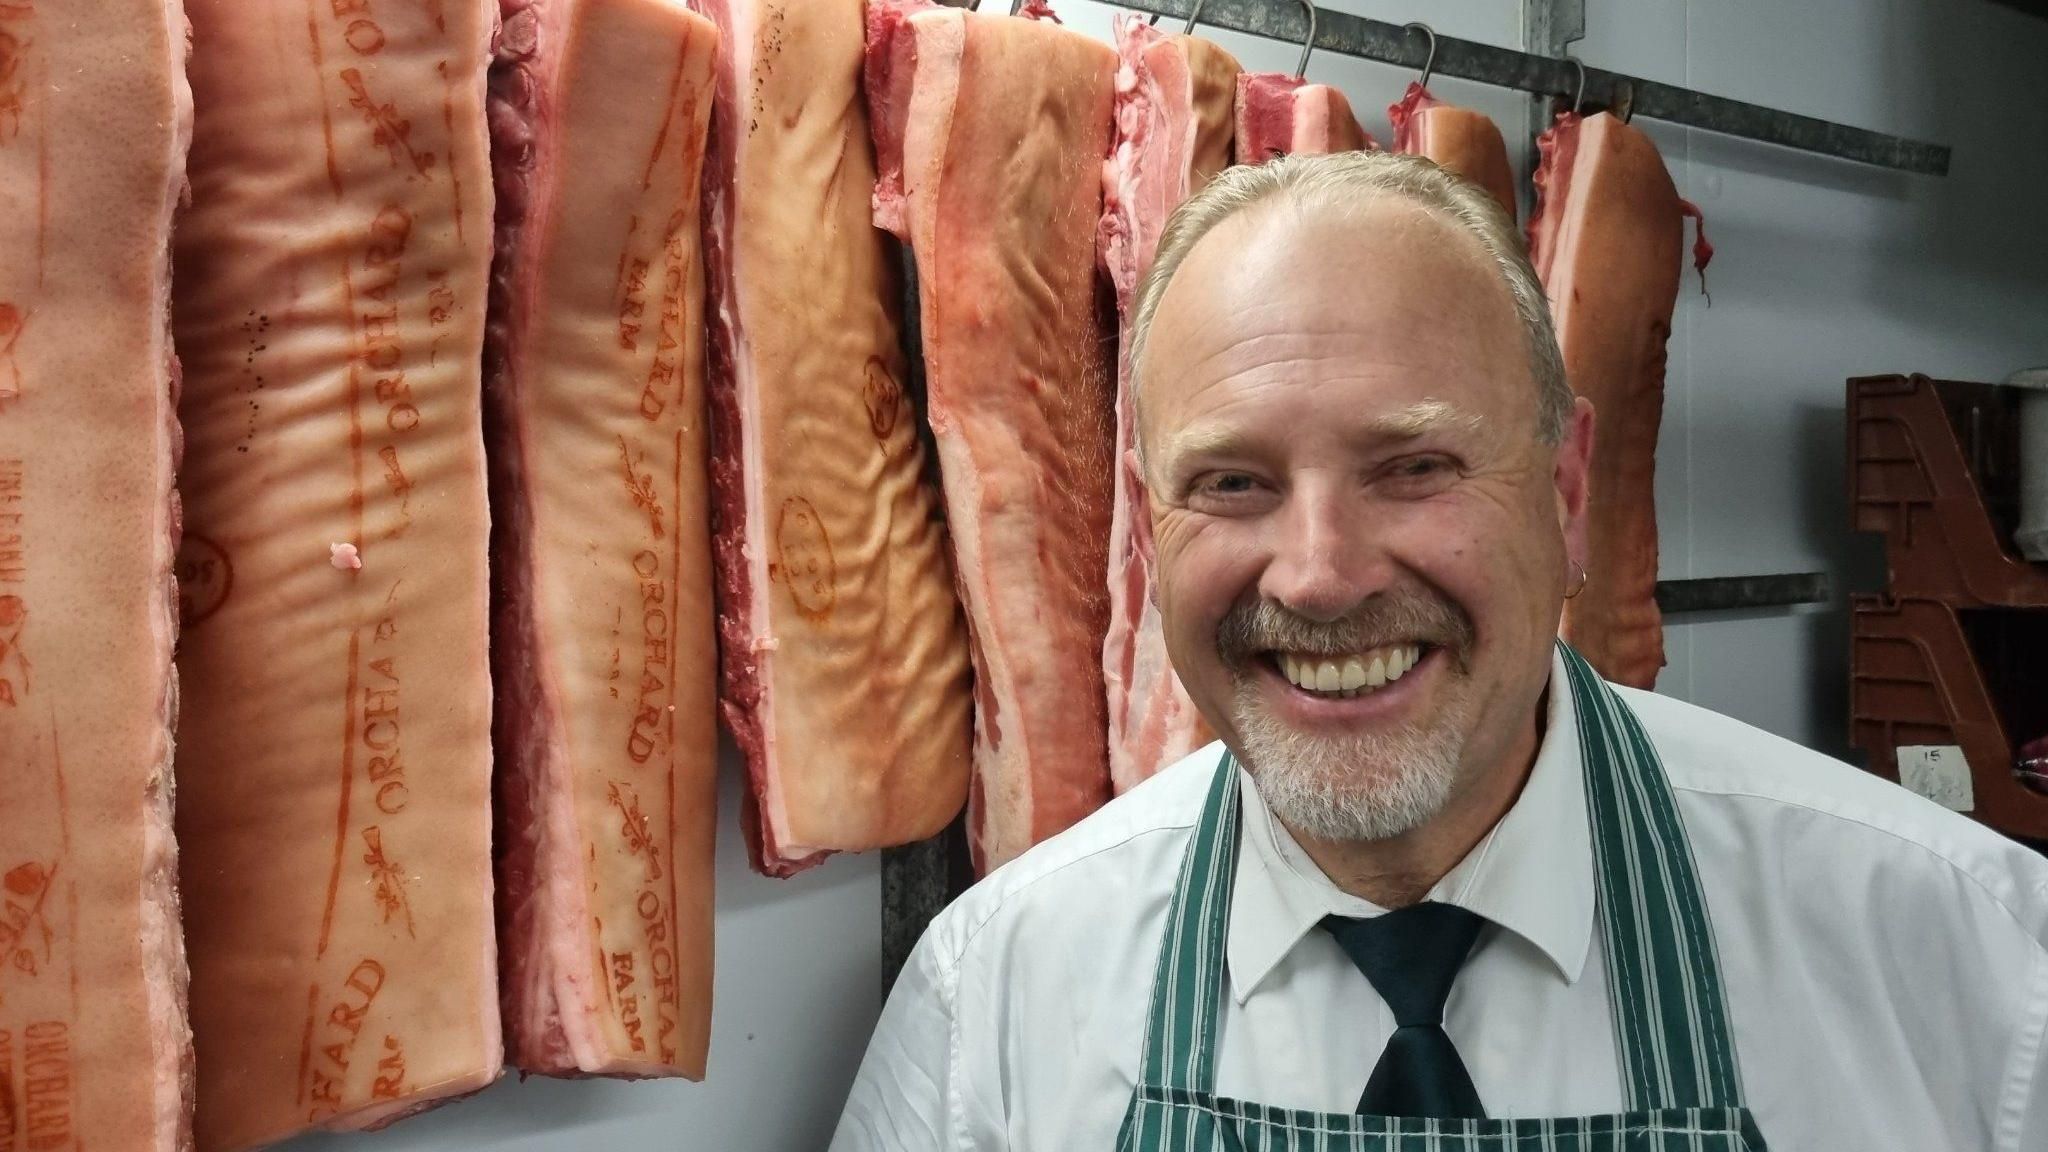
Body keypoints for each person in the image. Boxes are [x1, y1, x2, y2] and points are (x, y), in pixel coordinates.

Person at [829, 151, 2048, 1151]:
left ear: (1564, 493)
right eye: (1232, 482)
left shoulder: (1970, 961)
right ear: (1148, 533)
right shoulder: (993, 997)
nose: (1317, 575)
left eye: (1412, 466)